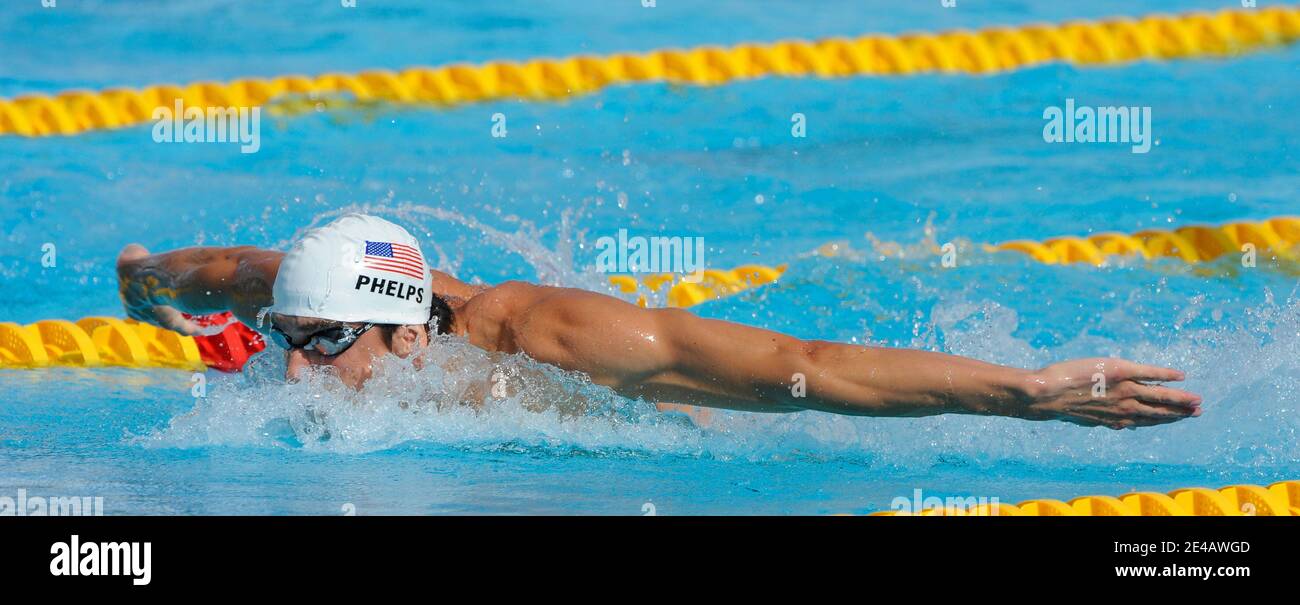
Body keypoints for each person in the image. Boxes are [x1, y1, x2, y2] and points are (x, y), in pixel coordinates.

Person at [116, 214, 1201, 429]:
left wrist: (1026, 393)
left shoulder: (551, 335)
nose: (295, 372)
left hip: (683, 412)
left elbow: (800, 362)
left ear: (405, 333)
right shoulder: (299, 291)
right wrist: (145, 283)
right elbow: (210, 267)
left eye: (322, 346)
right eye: (288, 335)